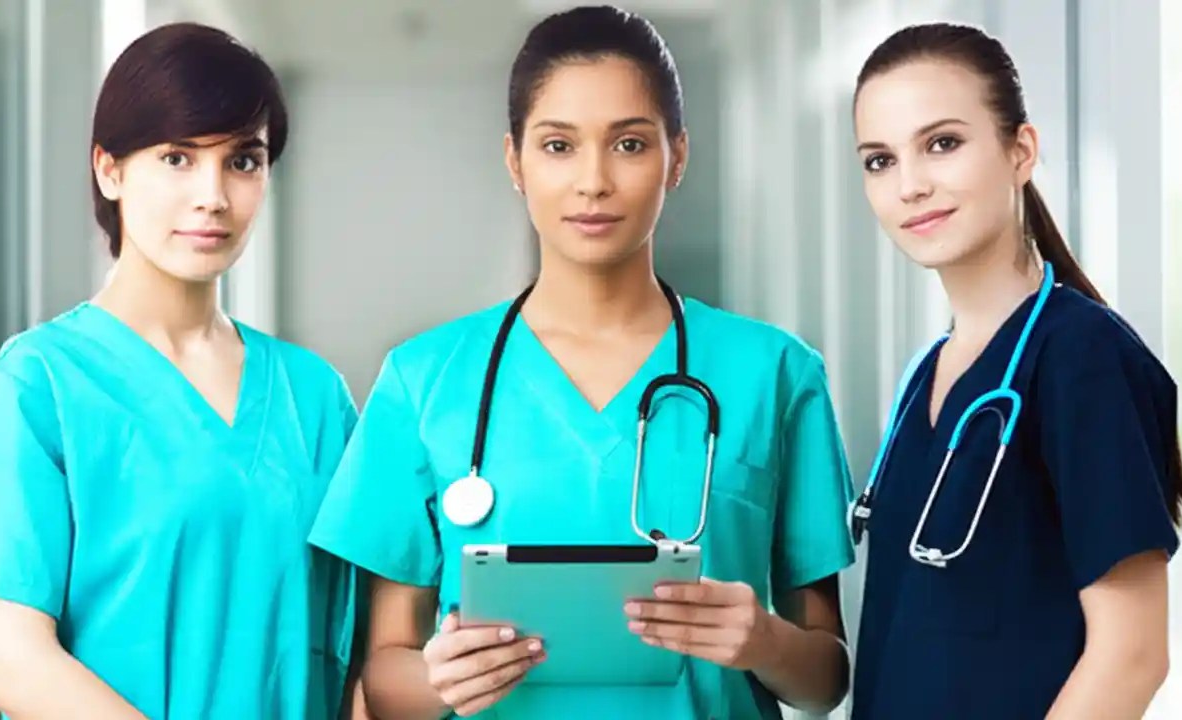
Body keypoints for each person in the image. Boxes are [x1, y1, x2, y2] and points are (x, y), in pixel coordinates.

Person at [308, 6, 854, 719]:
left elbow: (827, 675)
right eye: (558, 146)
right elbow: (382, 677)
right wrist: (440, 679)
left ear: (677, 157)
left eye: (629, 144)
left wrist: (765, 642)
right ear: (515, 161)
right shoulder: (422, 381)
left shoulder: (776, 374)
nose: (593, 181)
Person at [0, 22, 361, 719]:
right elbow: (13, 664)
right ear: (110, 169)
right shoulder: (34, 389)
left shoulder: (313, 398)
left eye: (243, 161)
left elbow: (358, 648)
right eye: (177, 158)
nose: (213, 196)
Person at [848, 22, 1182, 720]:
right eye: (880, 160)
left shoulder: (1080, 357)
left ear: (1021, 150)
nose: (910, 185)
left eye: (942, 143)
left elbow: (1132, 655)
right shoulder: (925, 378)